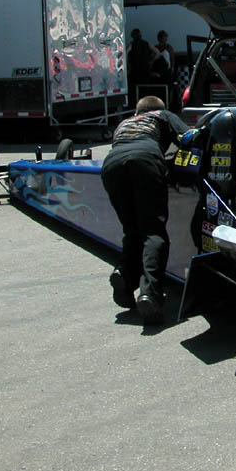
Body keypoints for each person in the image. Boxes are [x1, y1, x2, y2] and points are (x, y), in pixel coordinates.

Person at [101, 95, 190, 325]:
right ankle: (150, 294)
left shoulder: (125, 123)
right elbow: (189, 137)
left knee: (132, 229)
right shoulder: (162, 115)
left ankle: (124, 276)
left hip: (111, 165)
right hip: (146, 159)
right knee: (153, 231)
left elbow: (124, 150)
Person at [126, 29, 160, 108]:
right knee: (144, 91)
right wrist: (151, 61)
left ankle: (135, 107)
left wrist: (128, 65)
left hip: (135, 71)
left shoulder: (132, 44)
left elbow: (126, 54)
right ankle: (145, 107)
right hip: (145, 70)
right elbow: (157, 53)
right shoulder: (147, 44)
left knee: (133, 91)